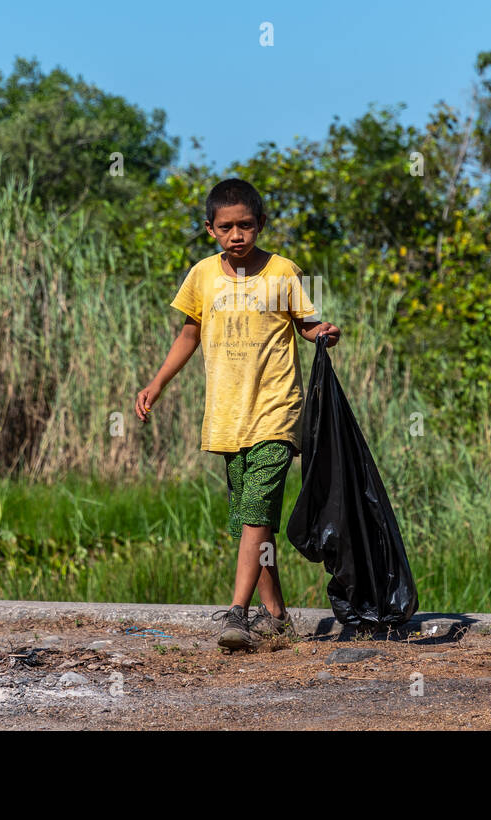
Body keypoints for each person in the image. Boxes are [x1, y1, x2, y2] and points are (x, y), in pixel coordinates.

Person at [134, 178, 339, 651]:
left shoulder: (283, 271)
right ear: (211, 230)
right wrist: (157, 382)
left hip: (275, 411)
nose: (237, 235)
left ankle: (237, 614)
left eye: (246, 225)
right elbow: (190, 334)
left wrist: (322, 332)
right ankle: (278, 617)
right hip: (227, 417)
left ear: (261, 224)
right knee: (255, 519)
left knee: (255, 512)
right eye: (226, 227)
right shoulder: (202, 276)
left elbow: (304, 325)